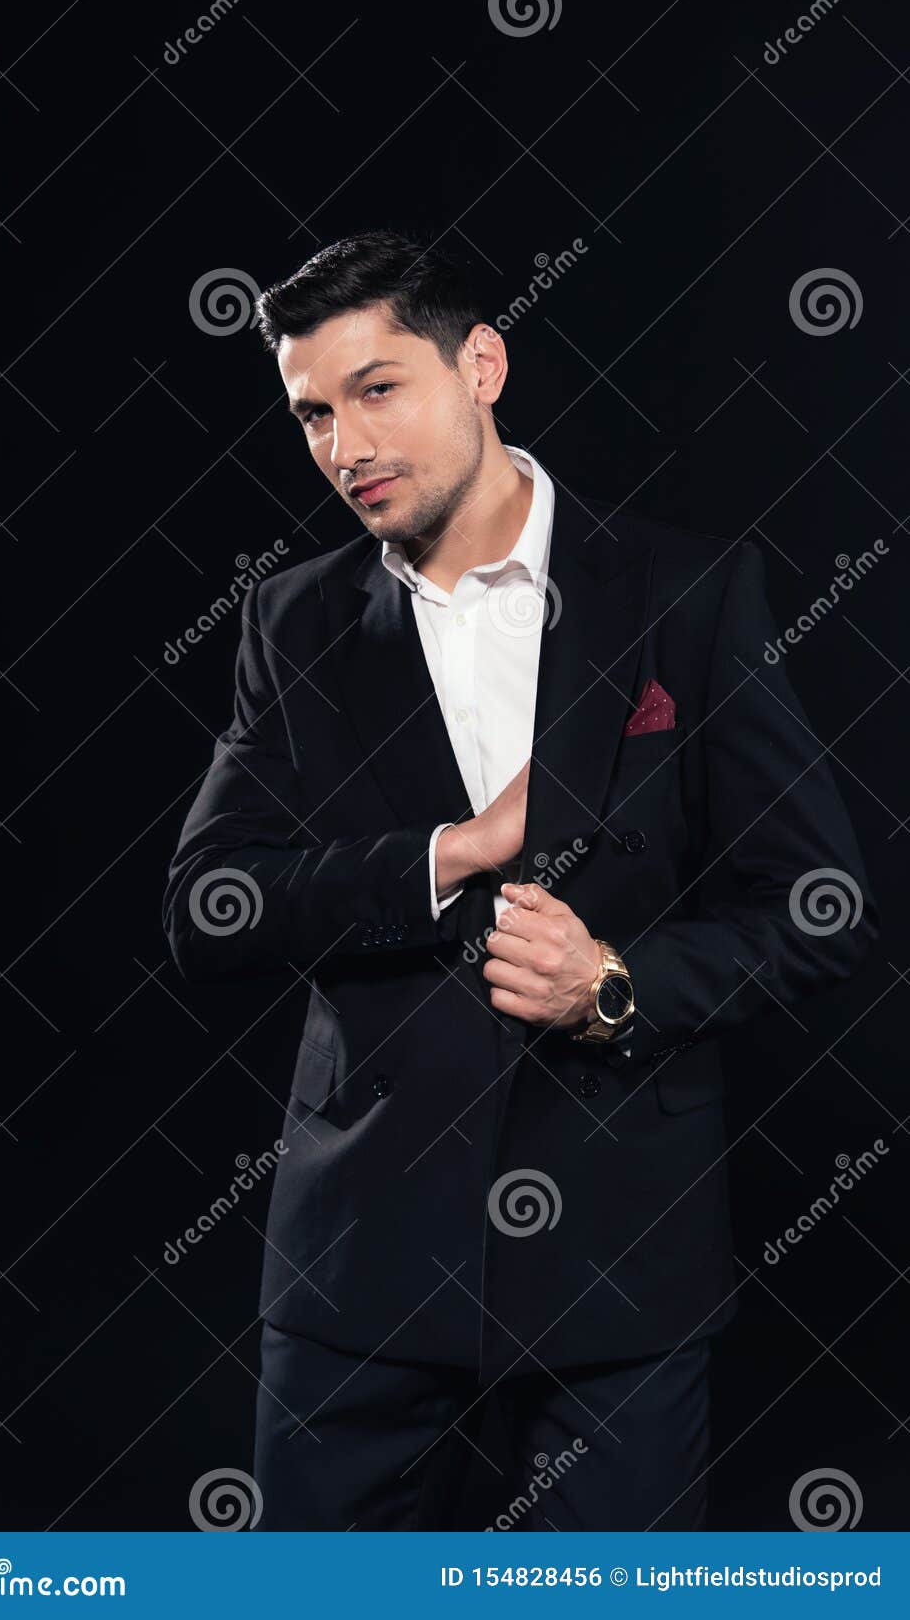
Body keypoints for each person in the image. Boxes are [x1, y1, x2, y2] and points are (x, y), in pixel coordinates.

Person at [162, 229, 878, 1530]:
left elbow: (817, 906)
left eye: (379, 389)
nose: (345, 444)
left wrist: (614, 983)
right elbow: (210, 906)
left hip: (621, 1275)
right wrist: (455, 852)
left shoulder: (686, 590)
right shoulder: (296, 620)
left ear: (481, 363)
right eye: (312, 411)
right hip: (358, 1287)